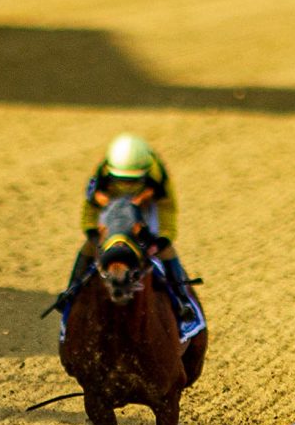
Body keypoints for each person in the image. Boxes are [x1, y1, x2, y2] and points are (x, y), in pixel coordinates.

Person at [60, 132, 203, 338]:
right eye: (122, 180)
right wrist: (92, 233)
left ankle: (182, 301)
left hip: (145, 209)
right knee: (88, 248)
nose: (127, 184)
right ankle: (71, 292)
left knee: (167, 251)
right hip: (112, 212)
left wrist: (162, 239)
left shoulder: (158, 174)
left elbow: (167, 209)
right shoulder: (101, 172)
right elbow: (89, 209)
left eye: (133, 180)